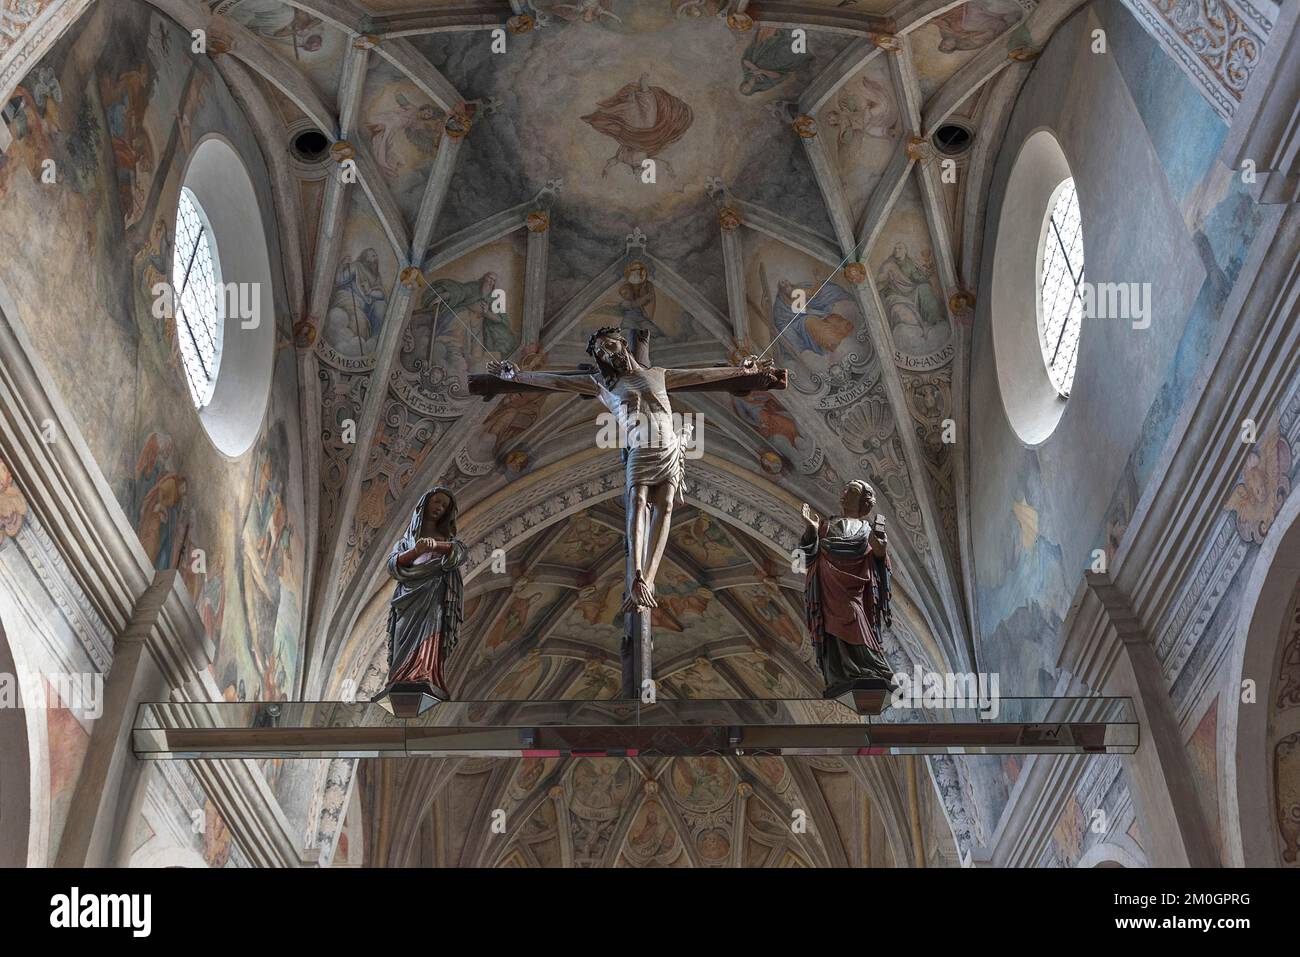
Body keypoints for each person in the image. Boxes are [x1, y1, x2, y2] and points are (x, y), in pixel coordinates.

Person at [799, 480, 896, 698]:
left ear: (863, 501)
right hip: (827, 584)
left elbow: (879, 557)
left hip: (854, 587)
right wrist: (812, 531)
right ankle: (840, 673)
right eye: (844, 490)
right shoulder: (825, 525)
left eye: (851, 492)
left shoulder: (867, 529)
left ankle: (874, 667)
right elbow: (807, 557)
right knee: (831, 628)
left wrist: (880, 547)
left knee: (856, 615)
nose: (844, 494)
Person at [374, 487, 466, 701]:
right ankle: (401, 674)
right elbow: (393, 563)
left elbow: (459, 551)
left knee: (430, 629)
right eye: (436, 502)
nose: (439, 508)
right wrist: (416, 551)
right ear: (425, 505)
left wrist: (437, 546)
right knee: (402, 632)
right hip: (409, 595)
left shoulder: (446, 539)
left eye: (444, 506)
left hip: (434, 592)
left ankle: (424, 673)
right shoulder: (407, 541)